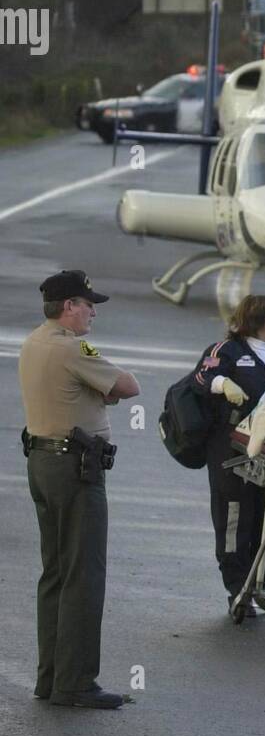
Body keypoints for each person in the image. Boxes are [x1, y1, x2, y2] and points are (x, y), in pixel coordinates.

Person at [19, 271, 140, 709]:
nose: (93, 312)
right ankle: (76, 682)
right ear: (69, 306)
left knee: (55, 573)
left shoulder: (36, 341)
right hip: (75, 468)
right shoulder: (73, 347)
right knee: (84, 574)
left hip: (42, 461)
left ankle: (50, 677)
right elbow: (128, 385)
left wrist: (96, 389)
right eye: (89, 305)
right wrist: (103, 386)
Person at [193, 295, 265, 616]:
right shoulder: (227, 351)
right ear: (258, 318)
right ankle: (238, 587)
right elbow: (201, 378)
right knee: (236, 517)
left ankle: (262, 583)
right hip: (231, 447)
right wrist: (223, 383)